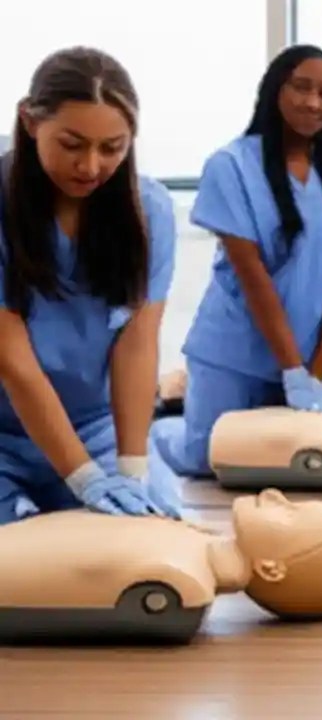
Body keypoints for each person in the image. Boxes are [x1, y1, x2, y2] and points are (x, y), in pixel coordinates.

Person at [153, 45, 322, 478]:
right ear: (275, 90)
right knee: (210, 461)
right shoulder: (230, 166)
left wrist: (316, 375)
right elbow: (253, 278)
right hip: (235, 354)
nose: (314, 102)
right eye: (302, 88)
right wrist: (291, 371)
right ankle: (162, 421)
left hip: (315, 358)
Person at [0, 47, 181, 523]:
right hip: (3, 431)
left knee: (153, 524)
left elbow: (137, 344)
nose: (91, 166)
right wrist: (83, 479)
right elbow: (12, 360)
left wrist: (131, 470)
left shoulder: (150, 211)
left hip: (94, 427)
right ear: (30, 121)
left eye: (112, 148)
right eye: (72, 145)